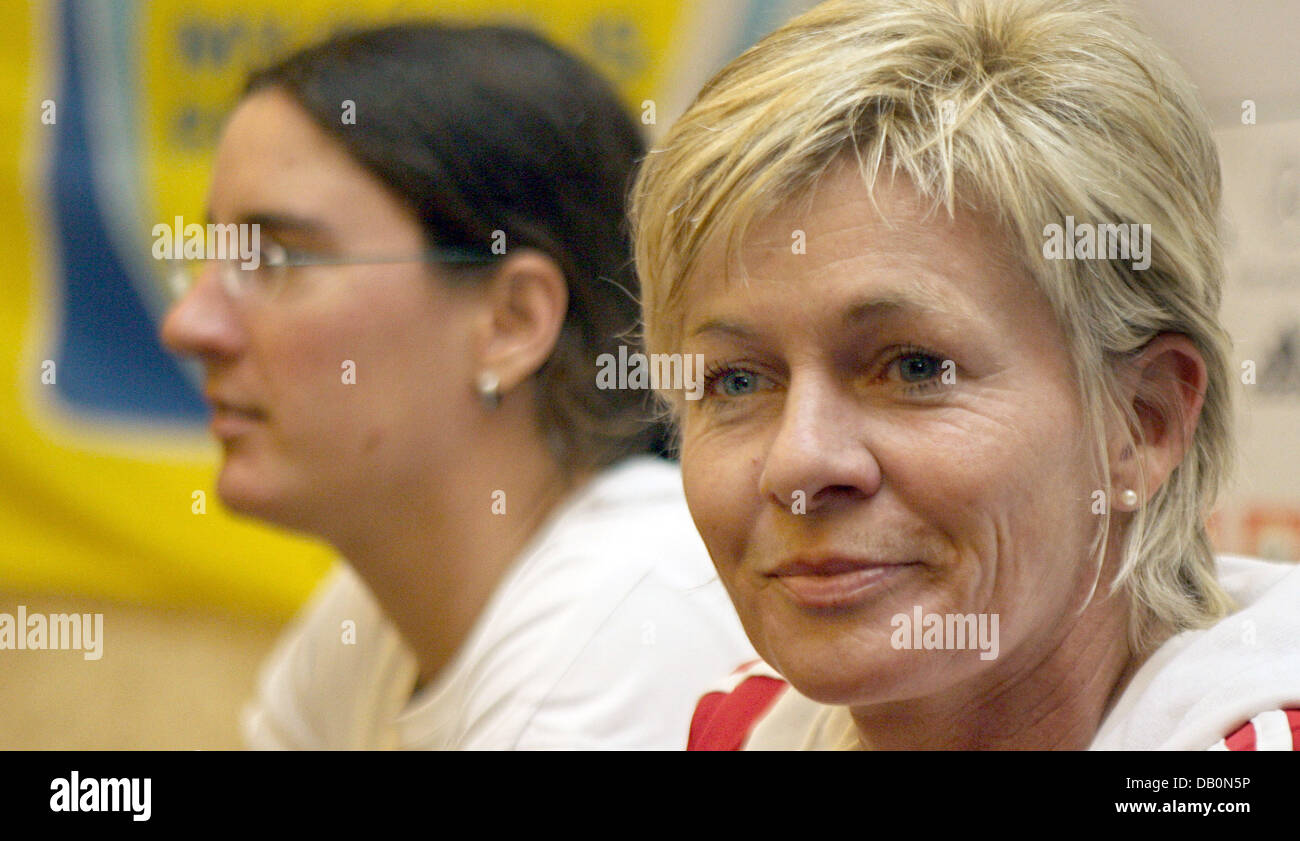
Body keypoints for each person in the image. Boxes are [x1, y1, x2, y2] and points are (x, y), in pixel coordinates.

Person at [628, 0, 1300, 749]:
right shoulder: (738, 727)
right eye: (738, 381)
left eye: (913, 367)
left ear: (1143, 420)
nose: (799, 462)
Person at [160, 22, 752, 749]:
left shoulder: (626, 613)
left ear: (511, 321)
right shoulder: (368, 625)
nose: (189, 325)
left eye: (276, 259)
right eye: (214, 257)